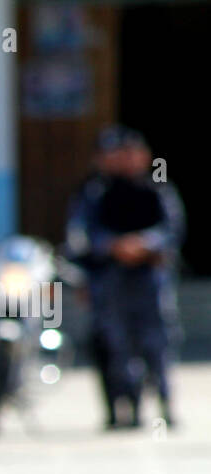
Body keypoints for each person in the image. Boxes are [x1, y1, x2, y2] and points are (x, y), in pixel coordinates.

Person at [86, 129, 181, 429]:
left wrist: (144, 244)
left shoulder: (157, 187)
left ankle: (166, 405)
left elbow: (172, 228)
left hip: (149, 278)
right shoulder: (97, 192)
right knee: (118, 347)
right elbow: (85, 233)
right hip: (112, 279)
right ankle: (128, 408)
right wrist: (115, 245)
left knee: (157, 344)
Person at [66, 127, 129, 428]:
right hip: (103, 280)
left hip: (140, 281)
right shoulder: (91, 193)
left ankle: (144, 409)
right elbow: (78, 238)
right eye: (108, 155)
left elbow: (168, 229)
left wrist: (142, 246)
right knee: (105, 346)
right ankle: (113, 410)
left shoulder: (147, 187)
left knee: (143, 346)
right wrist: (81, 276)